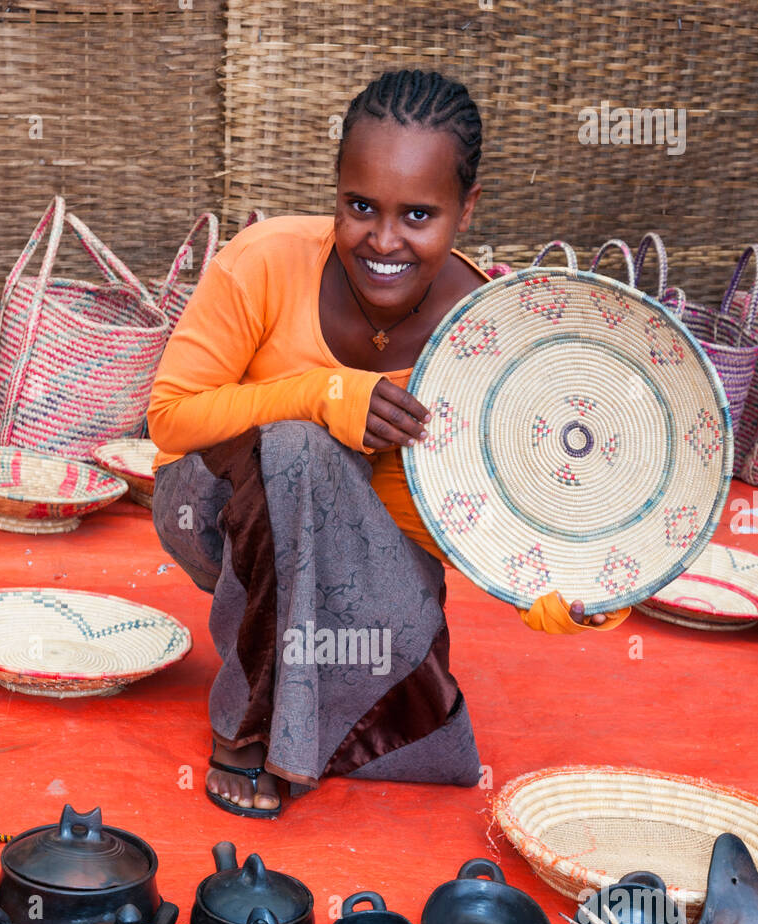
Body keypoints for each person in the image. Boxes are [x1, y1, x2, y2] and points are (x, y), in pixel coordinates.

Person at [148, 68, 627, 820]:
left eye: (419, 215)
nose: (383, 239)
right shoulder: (263, 262)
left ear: (466, 210)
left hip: (371, 562)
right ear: (334, 188)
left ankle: (308, 716)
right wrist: (321, 394)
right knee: (300, 447)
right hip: (217, 515)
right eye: (360, 206)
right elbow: (170, 420)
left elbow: (509, 516)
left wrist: (568, 597)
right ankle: (245, 729)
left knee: (402, 694)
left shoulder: (488, 336)